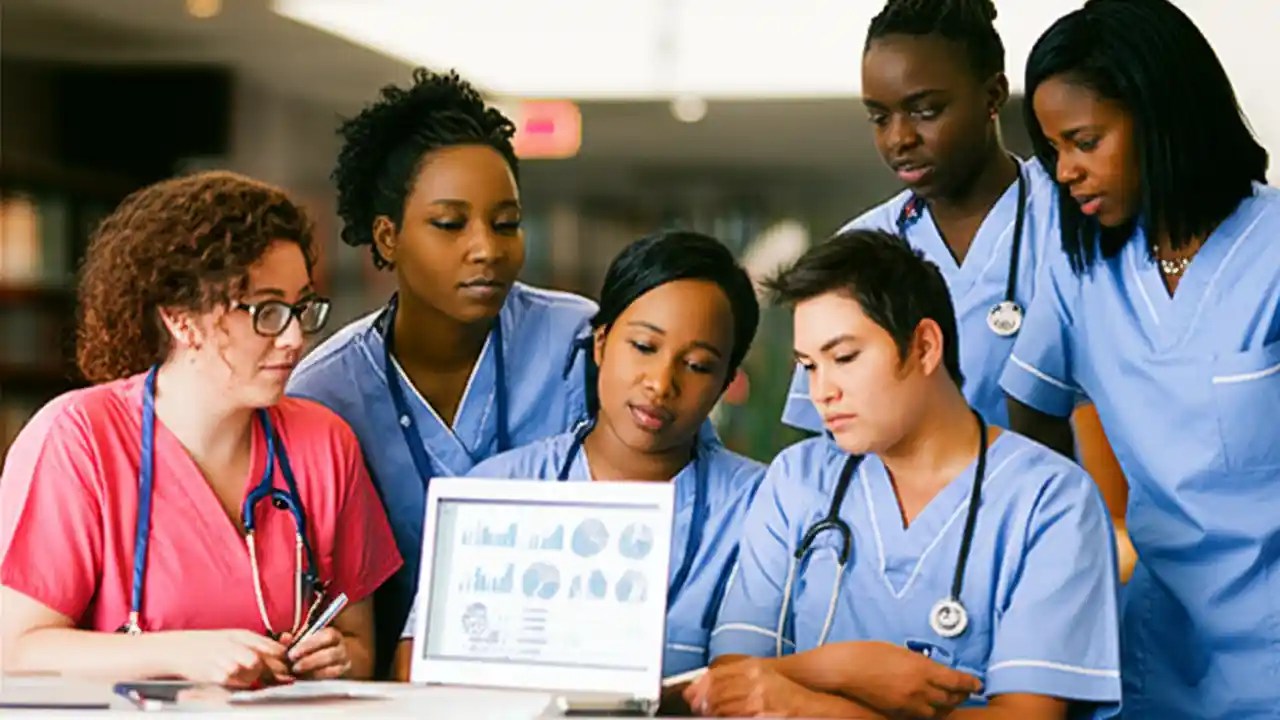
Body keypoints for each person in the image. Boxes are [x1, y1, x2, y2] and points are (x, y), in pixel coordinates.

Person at [690, 229, 1120, 719]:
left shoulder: (1049, 501)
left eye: (844, 358)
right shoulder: (798, 480)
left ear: (924, 346)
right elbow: (734, 686)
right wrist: (845, 668)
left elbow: (1027, 717)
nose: (821, 391)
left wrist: (815, 706)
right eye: (809, 366)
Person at [0, 171, 401, 686]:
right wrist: (181, 654)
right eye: (267, 311)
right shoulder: (80, 438)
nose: (294, 338)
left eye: (300, 308)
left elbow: (360, 646)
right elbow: (16, 647)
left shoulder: (325, 444)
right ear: (181, 319)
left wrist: (340, 658)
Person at [1002, 0, 1277, 716]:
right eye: (1053, 151)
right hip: (1155, 647)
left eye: (1085, 142)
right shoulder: (1081, 272)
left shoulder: (1272, 250)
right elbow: (1030, 413)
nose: (1065, 171)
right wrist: (1078, 554)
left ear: (1161, 117)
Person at [286, 68, 598, 675]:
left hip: (561, 677)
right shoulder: (324, 392)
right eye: (451, 224)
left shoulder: (578, 343)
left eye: (506, 223)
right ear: (388, 237)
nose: (486, 248)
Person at [392, 231, 765, 688]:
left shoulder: (759, 511)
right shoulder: (499, 489)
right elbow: (416, 666)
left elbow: (749, 690)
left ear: (726, 383)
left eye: (698, 366)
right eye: (644, 347)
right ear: (601, 344)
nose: (660, 383)